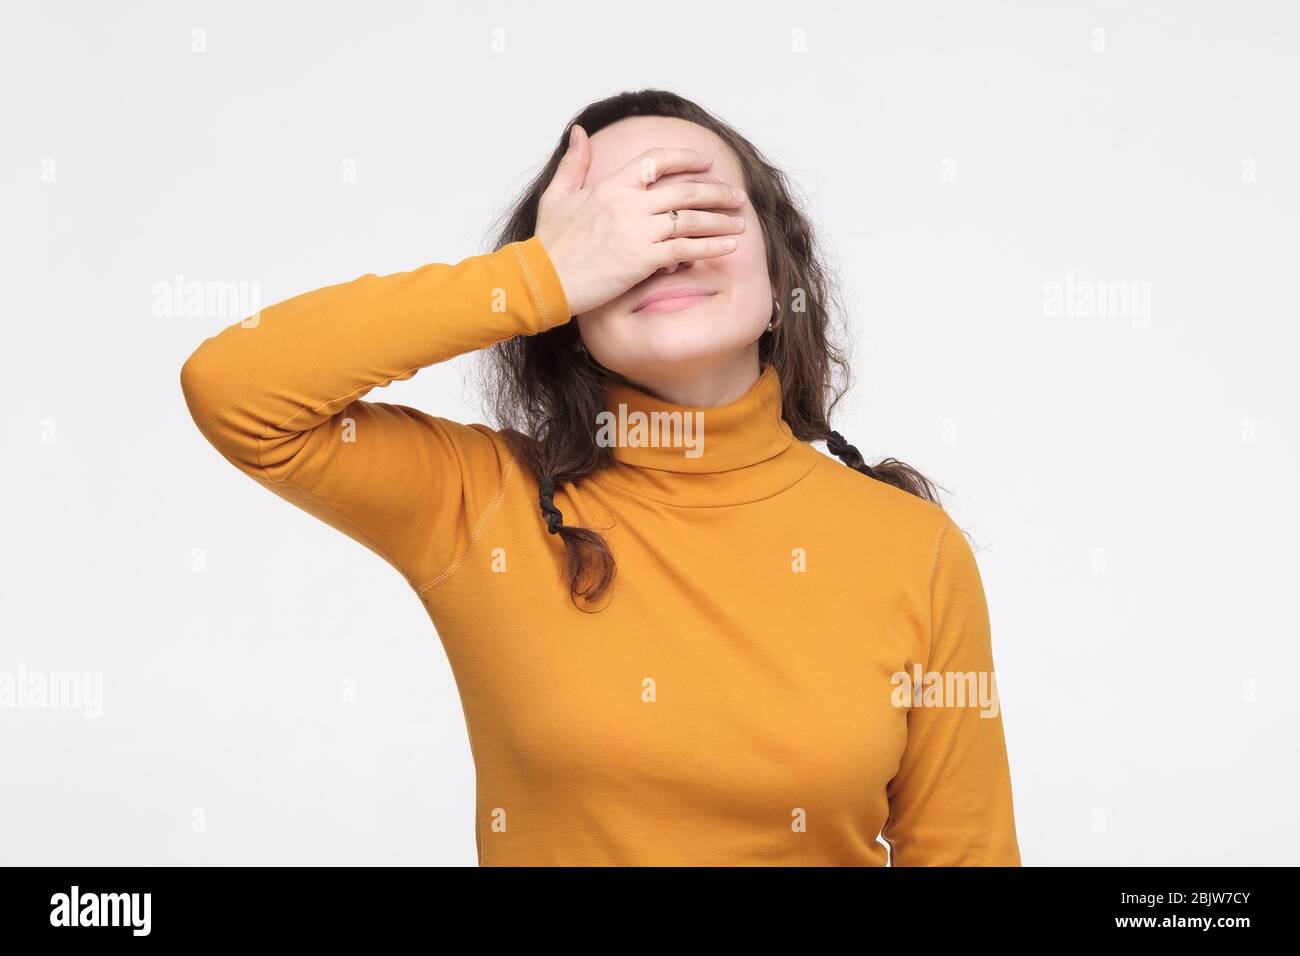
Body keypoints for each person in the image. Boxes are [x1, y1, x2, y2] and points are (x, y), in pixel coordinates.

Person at [180, 88, 1021, 866]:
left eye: (693, 209)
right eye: (613, 227)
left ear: (778, 273)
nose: (659, 247)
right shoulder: (483, 502)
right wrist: (542, 275)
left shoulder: (915, 548)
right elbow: (237, 391)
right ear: (567, 309)